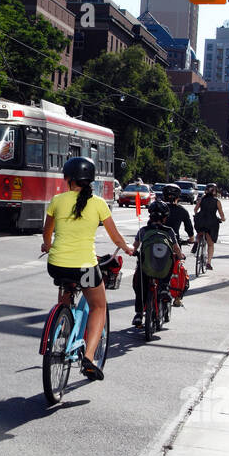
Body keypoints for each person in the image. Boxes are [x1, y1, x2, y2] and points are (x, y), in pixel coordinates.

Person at [41, 156, 135, 381]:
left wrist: (48, 245)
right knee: (98, 306)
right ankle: (90, 357)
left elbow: (47, 233)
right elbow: (115, 237)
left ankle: (61, 326)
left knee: (66, 284)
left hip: (56, 265)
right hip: (84, 267)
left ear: (67, 178)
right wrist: (128, 247)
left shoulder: (57, 200)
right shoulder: (99, 204)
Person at [131, 199, 183, 327]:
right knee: (171, 261)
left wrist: (133, 252)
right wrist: (181, 256)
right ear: (165, 217)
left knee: (139, 286)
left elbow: (135, 247)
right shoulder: (169, 230)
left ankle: (138, 314)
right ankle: (165, 287)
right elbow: (176, 248)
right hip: (163, 268)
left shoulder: (143, 230)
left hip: (146, 267)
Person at [192, 183, 226, 270]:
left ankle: (197, 240)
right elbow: (221, 214)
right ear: (215, 191)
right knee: (210, 244)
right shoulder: (217, 201)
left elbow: (195, 209)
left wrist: (198, 215)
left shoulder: (201, 199)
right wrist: (222, 219)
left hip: (200, 220)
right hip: (211, 222)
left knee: (199, 230)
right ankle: (208, 262)